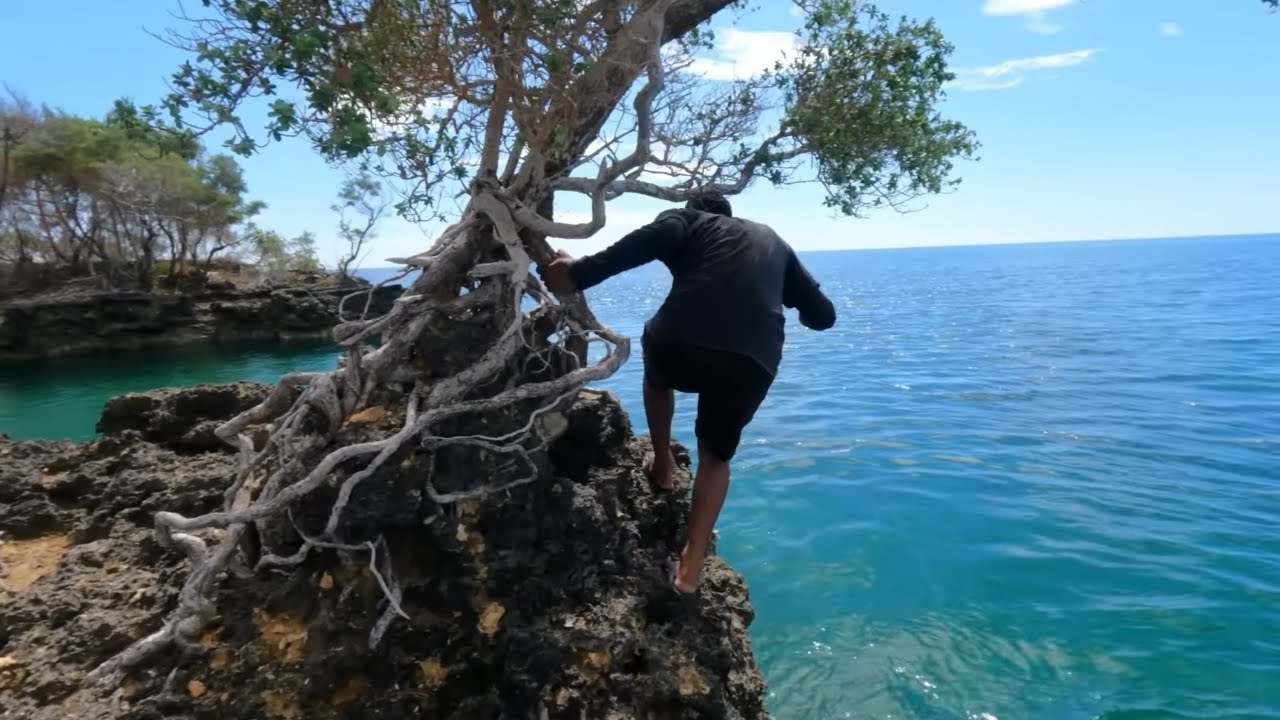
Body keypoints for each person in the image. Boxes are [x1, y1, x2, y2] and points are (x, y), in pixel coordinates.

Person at [538, 191, 836, 594]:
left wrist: (572, 272)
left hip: (678, 342)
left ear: (694, 210)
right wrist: (793, 302)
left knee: (658, 376)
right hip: (752, 359)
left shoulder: (685, 221)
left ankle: (662, 466)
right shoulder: (773, 242)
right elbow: (824, 316)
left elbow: (612, 259)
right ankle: (691, 564)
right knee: (715, 455)